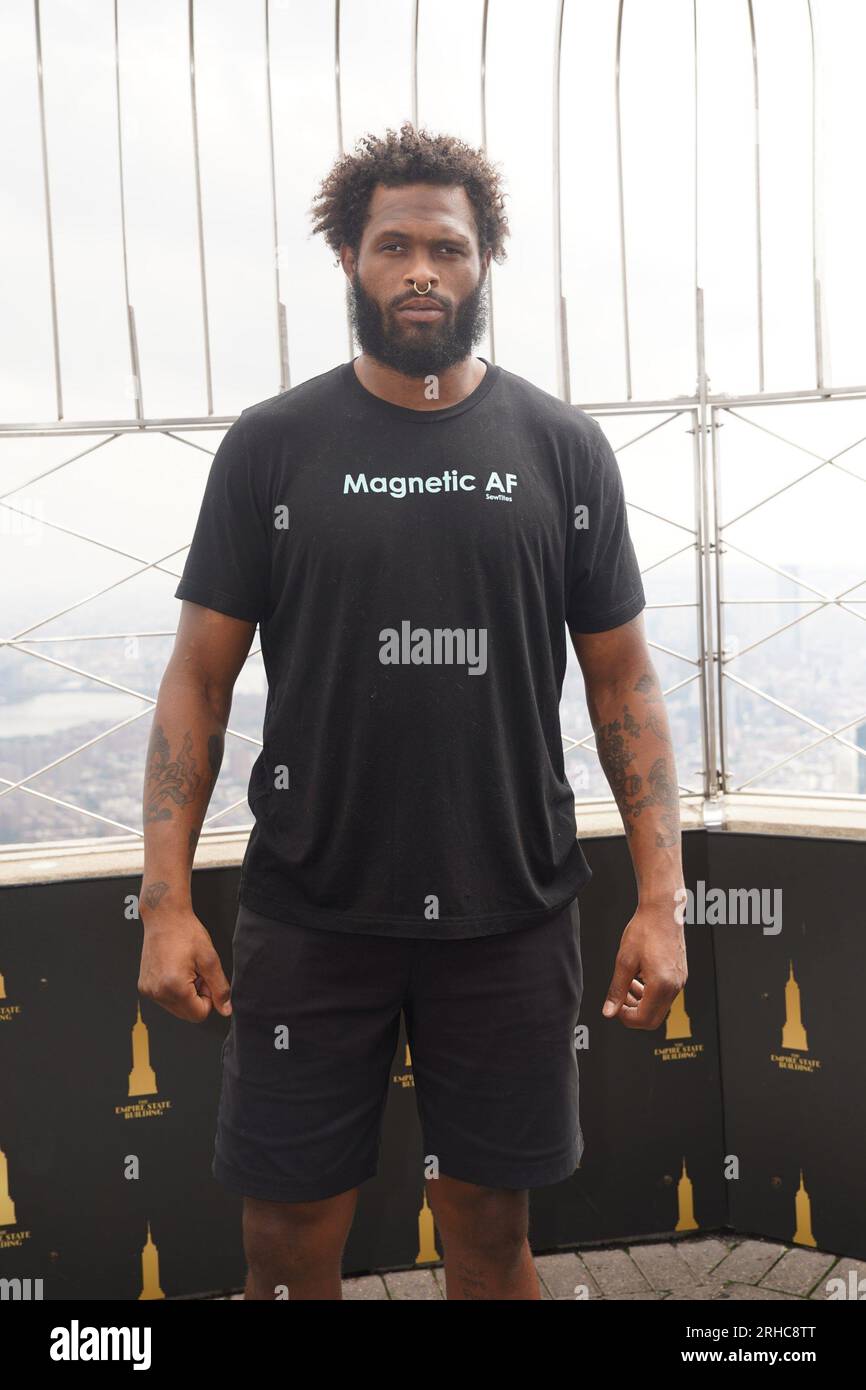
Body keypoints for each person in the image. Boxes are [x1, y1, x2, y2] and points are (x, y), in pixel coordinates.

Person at [138, 123, 687, 1301]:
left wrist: (659, 898)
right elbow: (198, 677)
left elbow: (622, 685)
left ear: (485, 260)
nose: (421, 271)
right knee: (284, 1248)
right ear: (349, 256)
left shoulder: (561, 451)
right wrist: (165, 901)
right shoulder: (272, 450)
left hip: (510, 913)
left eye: (448, 246)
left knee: (490, 1238)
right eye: (394, 245)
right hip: (310, 917)